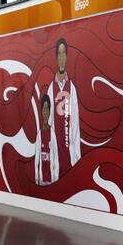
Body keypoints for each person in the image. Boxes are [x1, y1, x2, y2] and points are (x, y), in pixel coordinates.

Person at [46, 37, 81, 179]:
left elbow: (76, 124)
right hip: (56, 156)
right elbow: (48, 124)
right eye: (59, 53)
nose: (61, 57)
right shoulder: (51, 89)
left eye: (64, 53)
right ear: (56, 57)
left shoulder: (71, 88)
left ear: (67, 57)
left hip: (69, 155)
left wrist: (76, 158)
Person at [35, 93, 58, 186]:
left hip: (51, 179)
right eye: (44, 109)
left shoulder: (52, 134)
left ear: (49, 112)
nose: (45, 112)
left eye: (47, 109)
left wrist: (55, 179)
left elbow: (56, 158)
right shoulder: (39, 135)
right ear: (41, 111)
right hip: (41, 179)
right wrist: (37, 178)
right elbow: (37, 159)